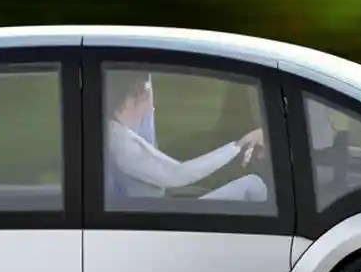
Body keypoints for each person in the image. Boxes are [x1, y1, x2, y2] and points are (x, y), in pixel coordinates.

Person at [105, 71, 268, 202]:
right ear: (123, 99)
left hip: (157, 212)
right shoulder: (119, 141)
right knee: (253, 185)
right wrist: (238, 146)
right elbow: (178, 174)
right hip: (159, 225)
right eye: (143, 99)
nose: (149, 110)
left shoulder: (114, 132)